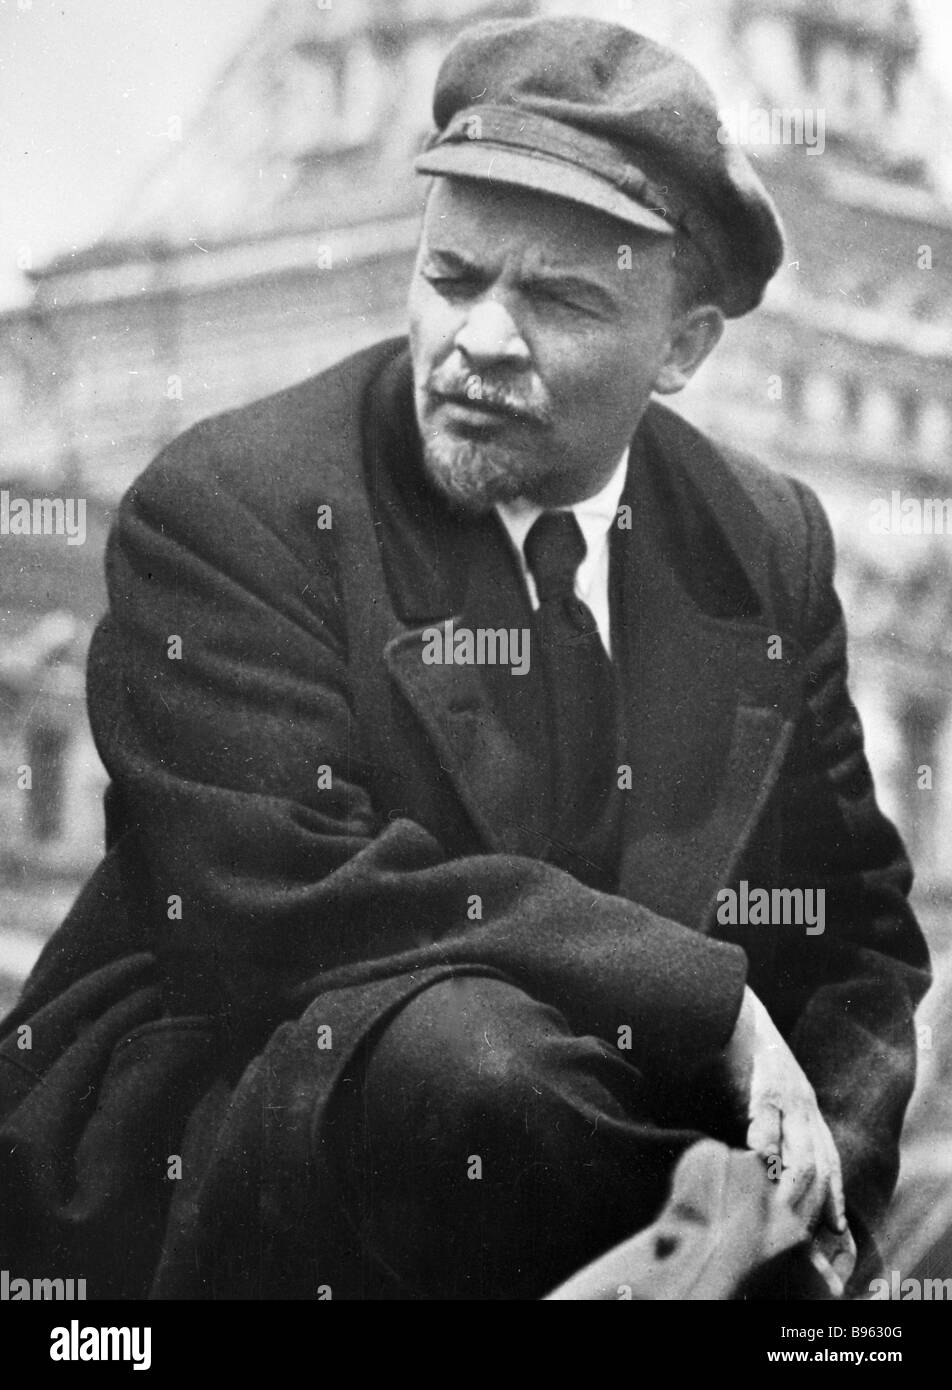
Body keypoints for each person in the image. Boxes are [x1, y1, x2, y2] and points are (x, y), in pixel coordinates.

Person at [0, 15, 930, 1301]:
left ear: (683, 349)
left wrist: (824, 1171)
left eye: (557, 299)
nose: (481, 340)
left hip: (590, 1140)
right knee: (472, 1057)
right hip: (242, 1147)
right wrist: (702, 1003)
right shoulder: (235, 502)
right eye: (452, 279)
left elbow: (854, 933)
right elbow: (287, 892)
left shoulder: (762, 541)